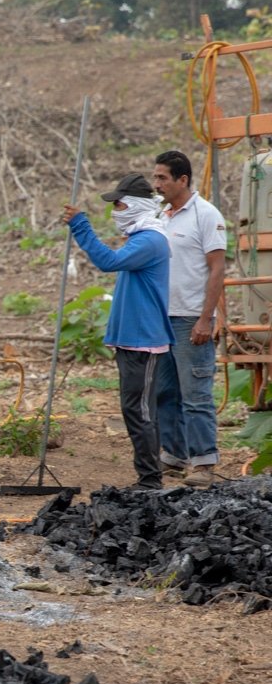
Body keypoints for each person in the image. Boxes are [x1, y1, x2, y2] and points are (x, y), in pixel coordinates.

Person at [62, 174, 175, 491]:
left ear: (136, 205)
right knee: (138, 409)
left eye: (120, 203)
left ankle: (151, 481)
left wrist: (80, 226)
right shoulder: (141, 237)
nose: (116, 210)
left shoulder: (150, 240)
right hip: (133, 338)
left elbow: (107, 261)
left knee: (140, 411)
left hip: (144, 340)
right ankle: (148, 476)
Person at [152, 150, 226, 487]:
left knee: (195, 394)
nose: (157, 184)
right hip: (161, 318)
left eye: (162, 178)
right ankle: (174, 454)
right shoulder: (162, 216)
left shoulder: (205, 215)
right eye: (155, 178)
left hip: (189, 319)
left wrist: (205, 318)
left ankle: (203, 462)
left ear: (183, 180)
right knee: (164, 391)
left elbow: (217, 269)